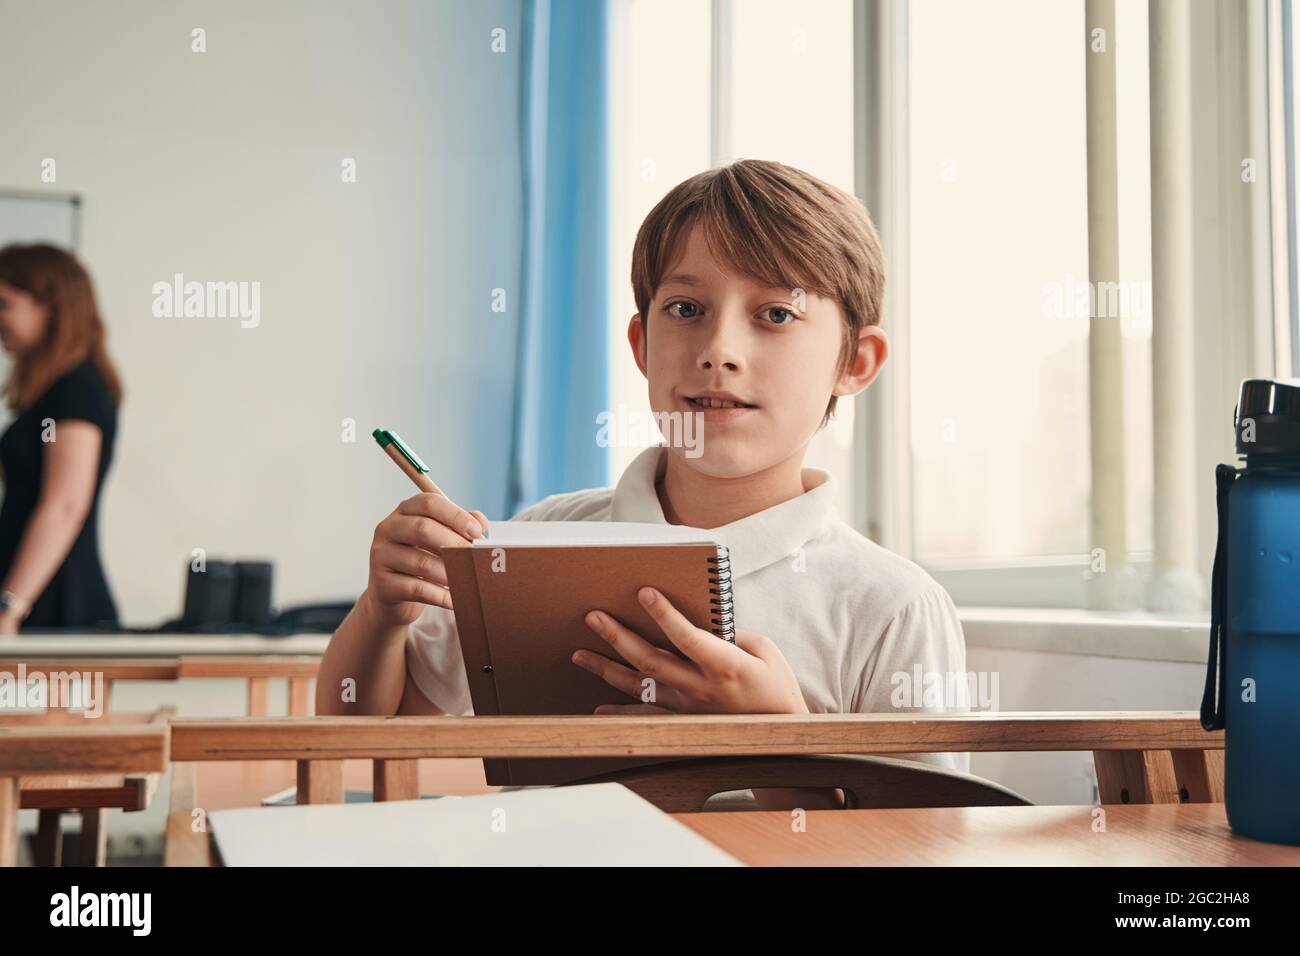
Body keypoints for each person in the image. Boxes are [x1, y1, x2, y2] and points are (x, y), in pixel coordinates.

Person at [317, 160, 971, 806]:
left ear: (855, 361)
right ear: (641, 345)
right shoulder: (543, 540)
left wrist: (779, 745)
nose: (720, 349)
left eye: (775, 314)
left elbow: (923, 846)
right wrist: (383, 613)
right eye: (686, 308)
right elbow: (365, 744)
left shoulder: (893, 607)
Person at [0, 243, 123, 633]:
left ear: (50, 307)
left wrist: (9, 607)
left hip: (56, 607)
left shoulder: (76, 390)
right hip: (34, 601)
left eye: (4, 304)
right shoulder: (48, 396)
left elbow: (65, 506)